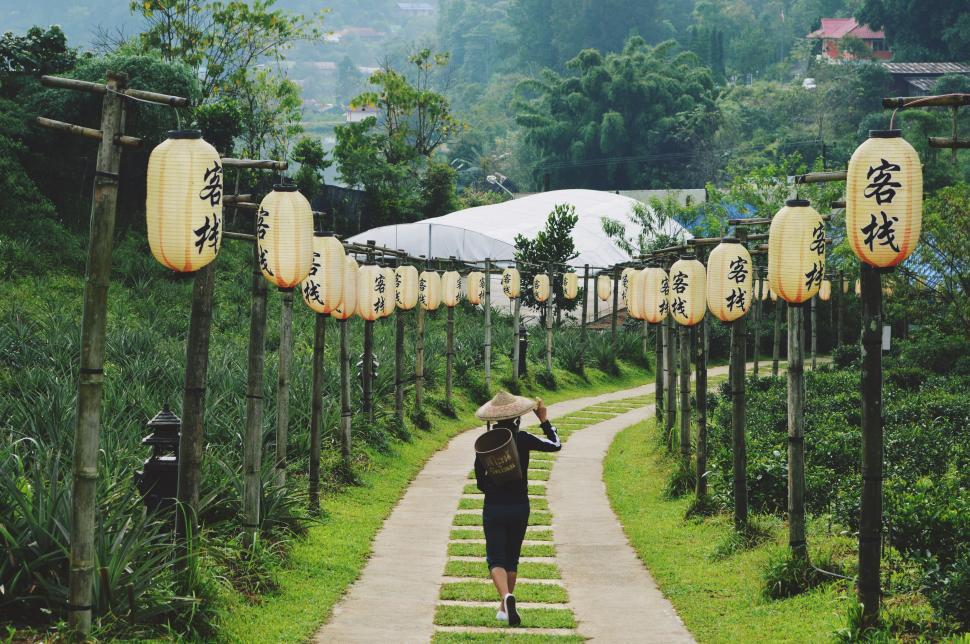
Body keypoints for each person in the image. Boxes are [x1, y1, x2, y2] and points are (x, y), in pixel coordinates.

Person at [473, 391, 562, 626]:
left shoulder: (485, 444)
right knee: (512, 559)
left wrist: (493, 488)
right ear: (518, 418)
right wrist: (544, 419)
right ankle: (505, 605)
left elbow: (480, 481)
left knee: (495, 559)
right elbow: (555, 445)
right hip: (520, 507)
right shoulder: (523, 438)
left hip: (493, 507)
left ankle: (505, 599)